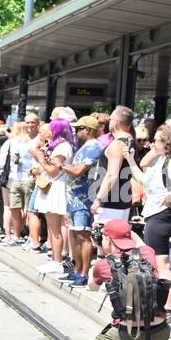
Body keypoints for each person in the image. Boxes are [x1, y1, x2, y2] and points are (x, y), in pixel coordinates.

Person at [80, 219, 171, 340]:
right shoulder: (147, 253)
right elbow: (139, 242)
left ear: (107, 238)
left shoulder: (103, 265)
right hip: (160, 334)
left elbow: (92, 287)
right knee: (145, 302)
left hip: (128, 336)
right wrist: (127, 232)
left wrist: (101, 249)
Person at [126, 123, 171, 319]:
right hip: (154, 215)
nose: (152, 143)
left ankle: (167, 307)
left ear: (167, 143)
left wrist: (169, 196)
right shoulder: (161, 161)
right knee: (157, 262)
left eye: (156, 141)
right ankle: (162, 305)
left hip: (161, 216)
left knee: (161, 264)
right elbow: (142, 178)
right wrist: (130, 159)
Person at [61, 115, 103, 284]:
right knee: (75, 234)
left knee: (83, 236)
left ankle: (84, 273)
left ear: (88, 130)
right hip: (74, 199)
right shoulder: (85, 147)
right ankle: (77, 270)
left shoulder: (94, 147)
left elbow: (79, 171)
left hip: (83, 198)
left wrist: (60, 166)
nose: (75, 131)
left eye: (78, 128)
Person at [32, 119, 73, 272]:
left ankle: (57, 261)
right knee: (52, 226)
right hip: (51, 186)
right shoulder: (58, 146)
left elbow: (52, 171)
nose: (46, 130)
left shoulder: (63, 147)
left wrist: (40, 159)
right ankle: (55, 259)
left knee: (55, 227)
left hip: (56, 187)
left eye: (50, 128)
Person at [93, 105, 136, 227]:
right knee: (115, 241)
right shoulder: (130, 140)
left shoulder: (117, 144)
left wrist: (98, 199)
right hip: (121, 200)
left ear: (116, 122)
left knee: (105, 241)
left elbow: (112, 175)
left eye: (111, 119)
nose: (109, 122)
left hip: (110, 203)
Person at [11, 113, 41, 247]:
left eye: (33, 122)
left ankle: (31, 237)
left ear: (38, 124)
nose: (30, 125)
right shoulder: (21, 139)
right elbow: (15, 155)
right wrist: (14, 159)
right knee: (14, 207)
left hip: (31, 178)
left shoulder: (39, 139)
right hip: (17, 176)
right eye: (27, 122)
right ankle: (16, 235)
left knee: (30, 210)